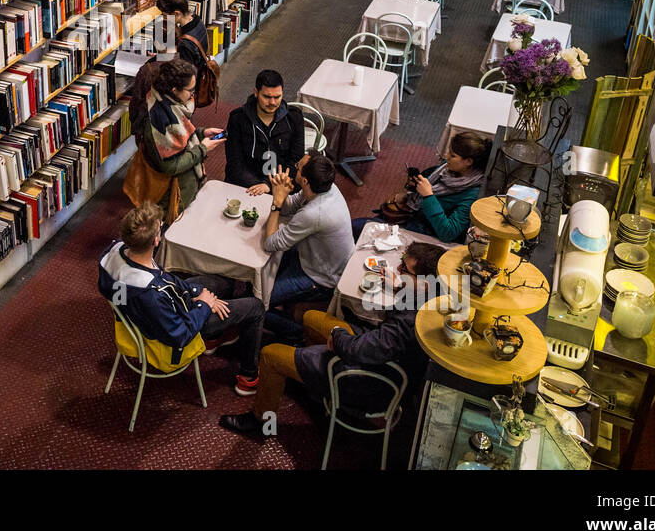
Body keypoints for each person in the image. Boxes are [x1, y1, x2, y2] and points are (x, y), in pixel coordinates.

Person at [218, 242, 444, 438]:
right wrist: (401, 284)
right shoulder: (435, 294)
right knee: (311, 317)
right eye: (402, 261)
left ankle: (261, 421)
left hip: (373, 381)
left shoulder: (409, 321)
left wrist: (337, 337)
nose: (398, 268)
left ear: (425, 282)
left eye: (405, 268)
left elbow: (360, 351)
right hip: (379, 355)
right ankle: (313, 385)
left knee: (270, 355)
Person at [98, 202, 264, 395]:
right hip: (174, 335)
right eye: (160, 229)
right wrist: (203, 305)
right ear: (156, 240)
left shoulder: (115, 252)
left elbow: (165, 280)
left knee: (224, 282)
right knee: (256, 307)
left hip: (159, 308)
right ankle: (248, 378)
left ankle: (212, 338)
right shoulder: (151, 293)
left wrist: (195, 292)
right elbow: (179, 335)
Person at [260, 152, 354, 341]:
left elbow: (270, 243)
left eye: (299, 165)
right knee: (268, 271)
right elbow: (292, 206)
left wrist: (276, 203)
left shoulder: (315, 213)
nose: (295, 165)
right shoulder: (325, 187)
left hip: (321, 277)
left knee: (259, 303)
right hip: (314, 259)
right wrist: (281, 191)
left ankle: (294, 333)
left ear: (304, 180)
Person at [355, 132, 492, 245]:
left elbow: (448, 233)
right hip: (411, 217)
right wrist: (411, 191)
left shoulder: (472, 195)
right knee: (359, 228)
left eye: (453, 155)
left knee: (359, 229)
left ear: (468, 162)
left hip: (423, 234)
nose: (446, 157)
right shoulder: (446, 169)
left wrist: (428, 196)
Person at [136, 59, 223, 216]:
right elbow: (170, 166)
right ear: (175, 89)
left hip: (187, 187)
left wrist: (201, 133)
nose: (193, 96)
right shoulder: (158, 120)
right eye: (190, 91)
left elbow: (181, 136)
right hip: (172, 196)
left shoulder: (172, 104)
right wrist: (202, 149)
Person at [128, 0, 213, 135]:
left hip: (184, 93)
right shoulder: (197, 21)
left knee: (180, 126)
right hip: (196, 81)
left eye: (165, 14)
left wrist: (159, 60)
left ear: (177, 13)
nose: (163, 17)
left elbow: (181, 73)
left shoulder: (185, 43)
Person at [224, 69, 307, 196]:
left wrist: (269, 185)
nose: (272, 102)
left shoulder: (294, 118)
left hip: (281, 183)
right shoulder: (238, 119)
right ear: (256, 93)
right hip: (246, 185)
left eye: (277, 97)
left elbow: (295, 161)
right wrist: (260, 187)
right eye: (267, 97)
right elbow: (235, 164)